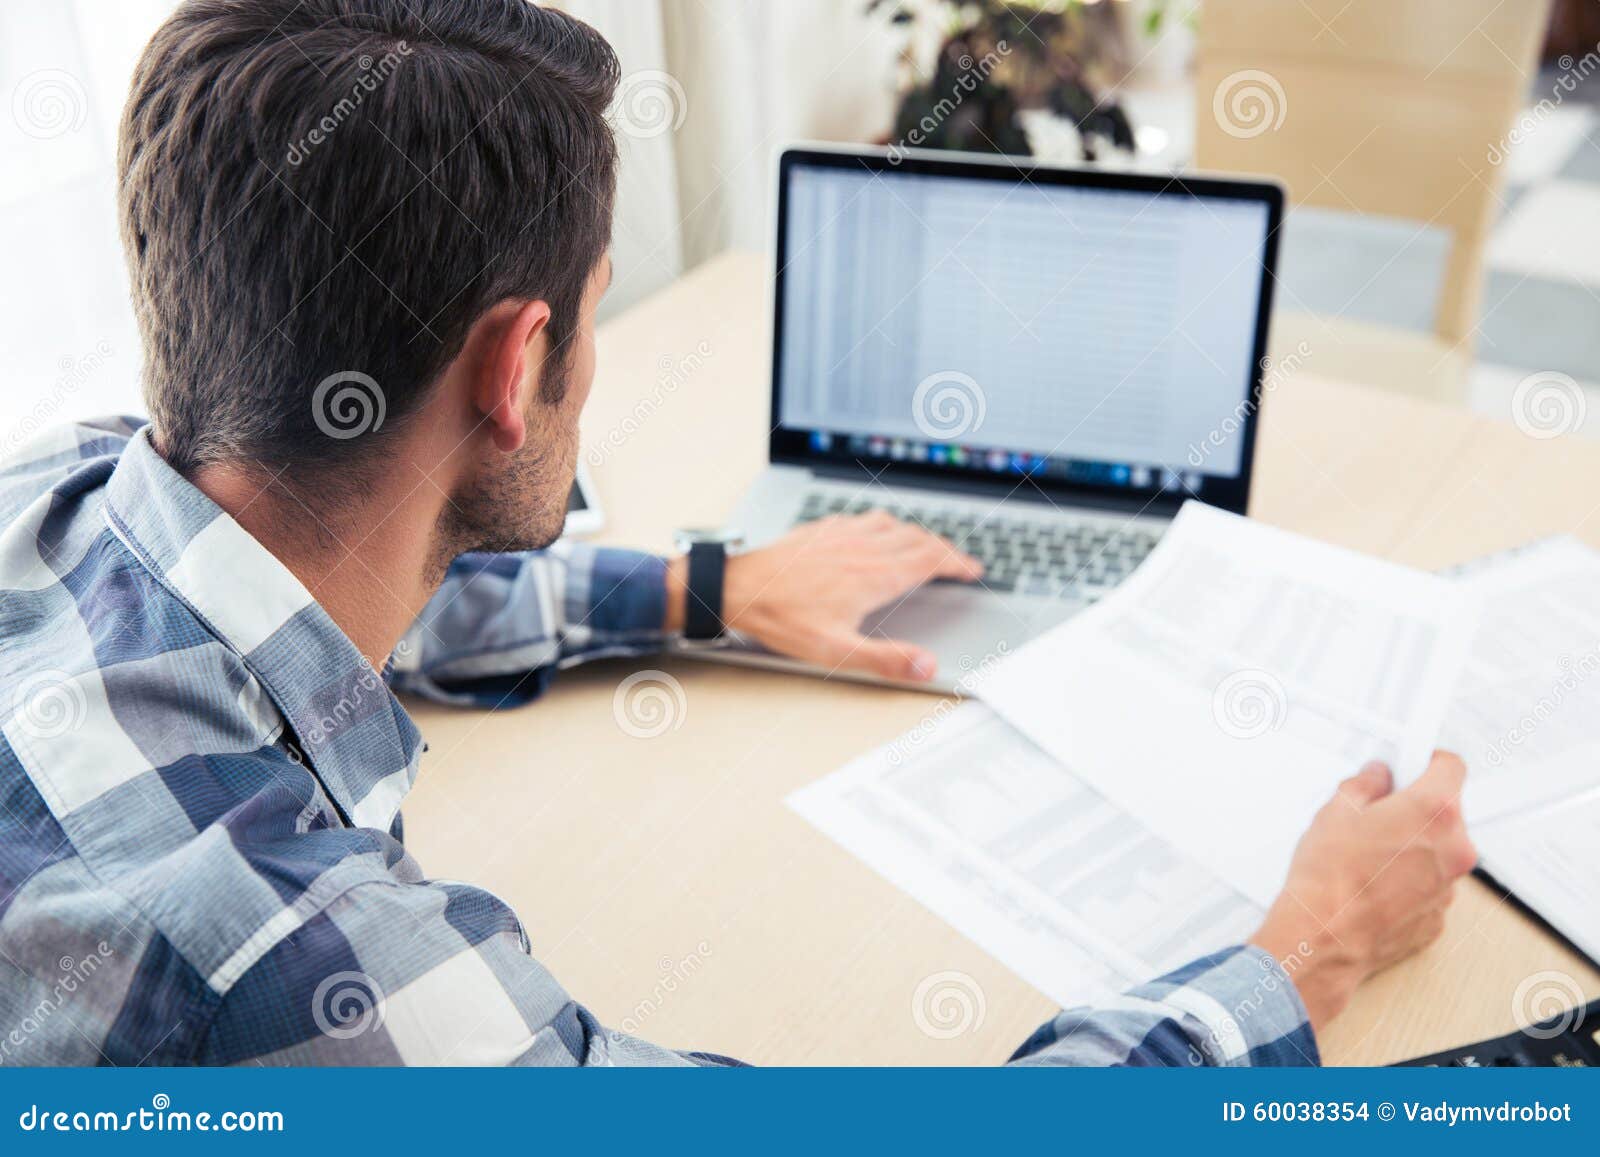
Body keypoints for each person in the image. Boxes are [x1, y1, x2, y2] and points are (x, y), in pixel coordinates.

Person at [0, 0, 1476, 1066]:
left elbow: (317, 584)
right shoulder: (303, 961)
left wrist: (712, 584)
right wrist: (1307, 949)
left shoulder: (56, 503)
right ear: (516, 368)